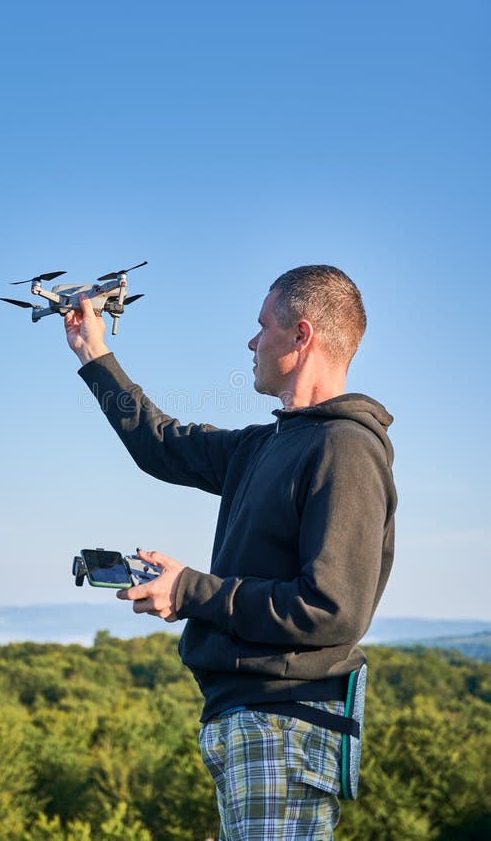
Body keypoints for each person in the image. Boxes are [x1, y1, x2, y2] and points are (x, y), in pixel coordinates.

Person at [65, 265, 397, 840]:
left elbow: (331, 609)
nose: (251, 342)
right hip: (247, 722)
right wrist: (93, 352)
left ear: (301, 335)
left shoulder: (346, 448)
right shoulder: (265, 444)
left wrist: (190, 590)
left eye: (262, 326)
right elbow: (159, 445)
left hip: (286, 726)